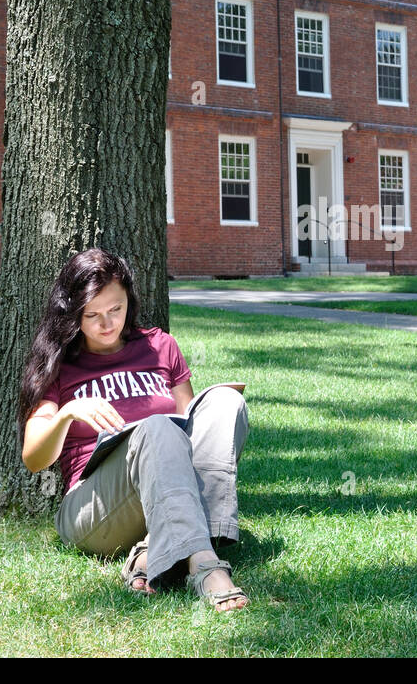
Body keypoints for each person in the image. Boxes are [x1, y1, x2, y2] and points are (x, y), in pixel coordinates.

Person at [19, 247, 249, 612]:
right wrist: (66, 414)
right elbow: (33, 458)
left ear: (129, 299)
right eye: (91, 315)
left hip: (167, 486)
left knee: (224, 403)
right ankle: (204, 563)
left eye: (115, 309)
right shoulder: (58, 364)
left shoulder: (160, 346)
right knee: (156, 428)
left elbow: (190, 430)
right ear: (72, 313)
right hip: (95, 508)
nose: (106, 324)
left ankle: (153, 546)